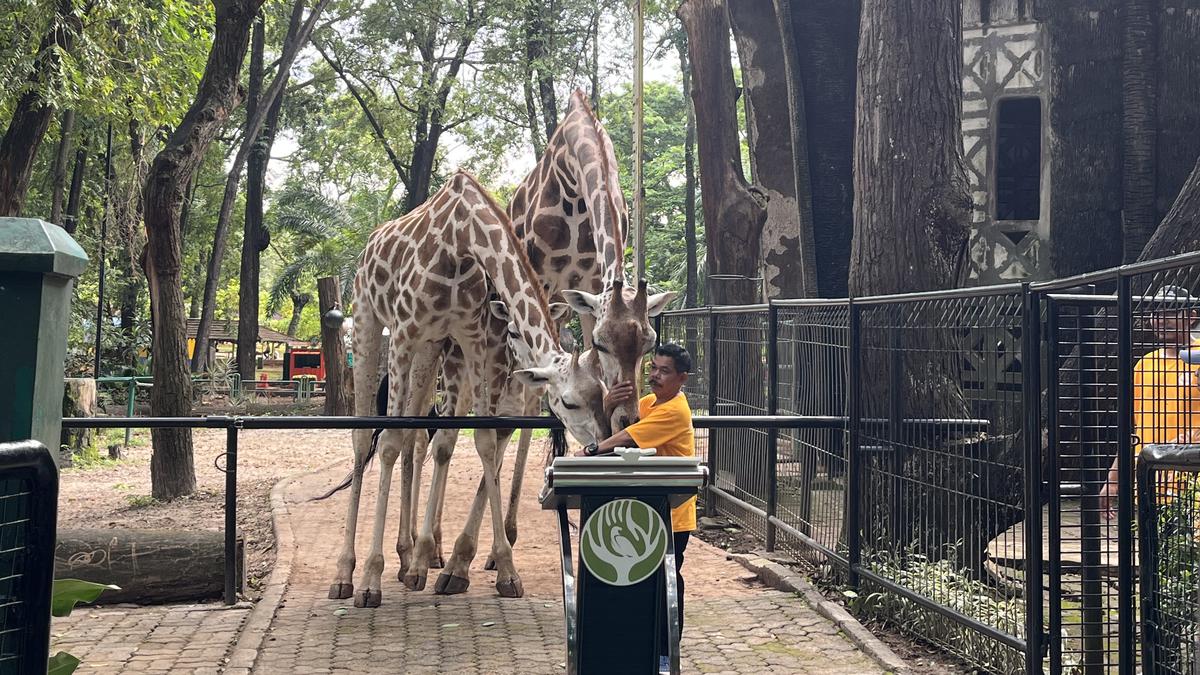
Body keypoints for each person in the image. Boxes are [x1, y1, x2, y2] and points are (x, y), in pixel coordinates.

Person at [581, 342, 695, 674]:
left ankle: (665, 655)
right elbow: (621, 423)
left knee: (667, 586)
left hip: (671, 515)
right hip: (647, 513)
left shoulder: (675, 411)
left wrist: (591, 451)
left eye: (664, 371)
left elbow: (629, 436)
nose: (655, 376)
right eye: (653, 368)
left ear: (682, 378)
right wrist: (609, 402)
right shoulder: (649, 403)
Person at [1099, 284, 1200, 518]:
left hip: (1192, 490)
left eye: (1171, 312)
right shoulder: (1144, 365)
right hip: (1149, 487)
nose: (1161, 319)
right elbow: (1136, 431)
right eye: (1156, 312)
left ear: (1192, 317)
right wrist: (1113, 481)